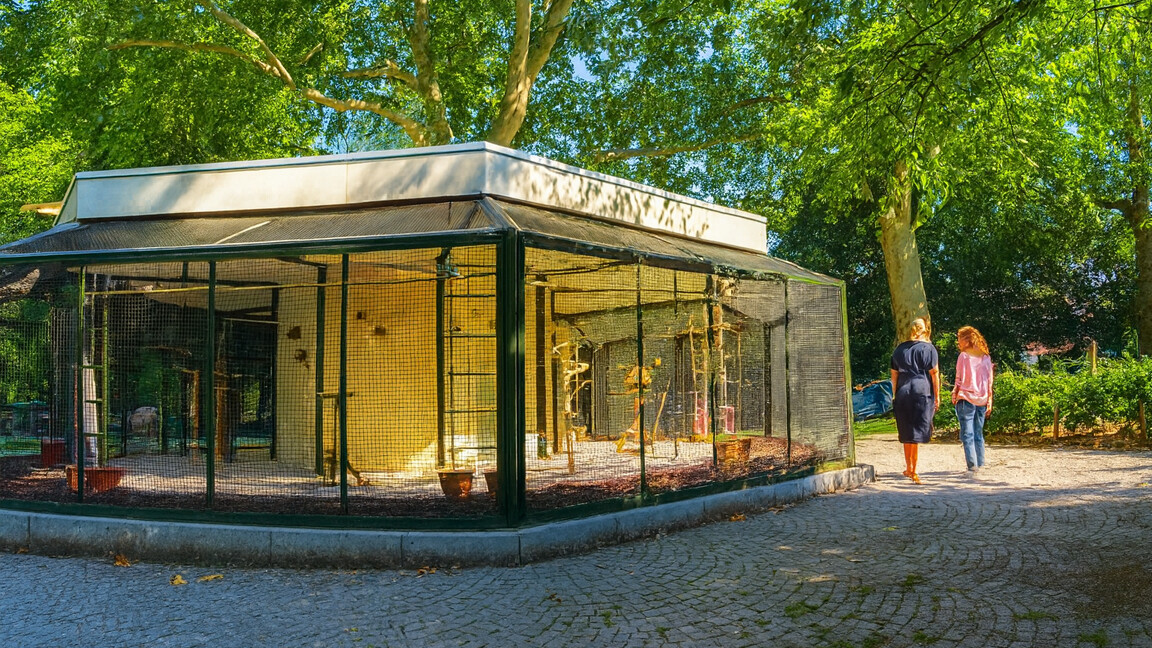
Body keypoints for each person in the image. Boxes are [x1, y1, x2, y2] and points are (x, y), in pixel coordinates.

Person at [890, 318, 940, 484]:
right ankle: (914, 470)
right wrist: (937, 396)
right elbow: (934, 374)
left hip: (903, 389)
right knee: (917, 430)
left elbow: (894, 374)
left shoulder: (899, 349)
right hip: (921, 388)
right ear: (924, 330)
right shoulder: (929, 349)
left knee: (906, 430)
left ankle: (909, 467)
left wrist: (894, 394)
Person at [951, 326, 994, 475]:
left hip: (966, 397)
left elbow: (959, 378)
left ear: (966, 339)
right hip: (982, 399)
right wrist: (990, 399)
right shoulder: (985, 357)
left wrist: (954, 394)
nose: (958, 342)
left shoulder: (964, 356)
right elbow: (989, 380)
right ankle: (980, 463)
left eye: (959, 339)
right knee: (978, 433)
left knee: (967, 434)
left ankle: (972, 465)